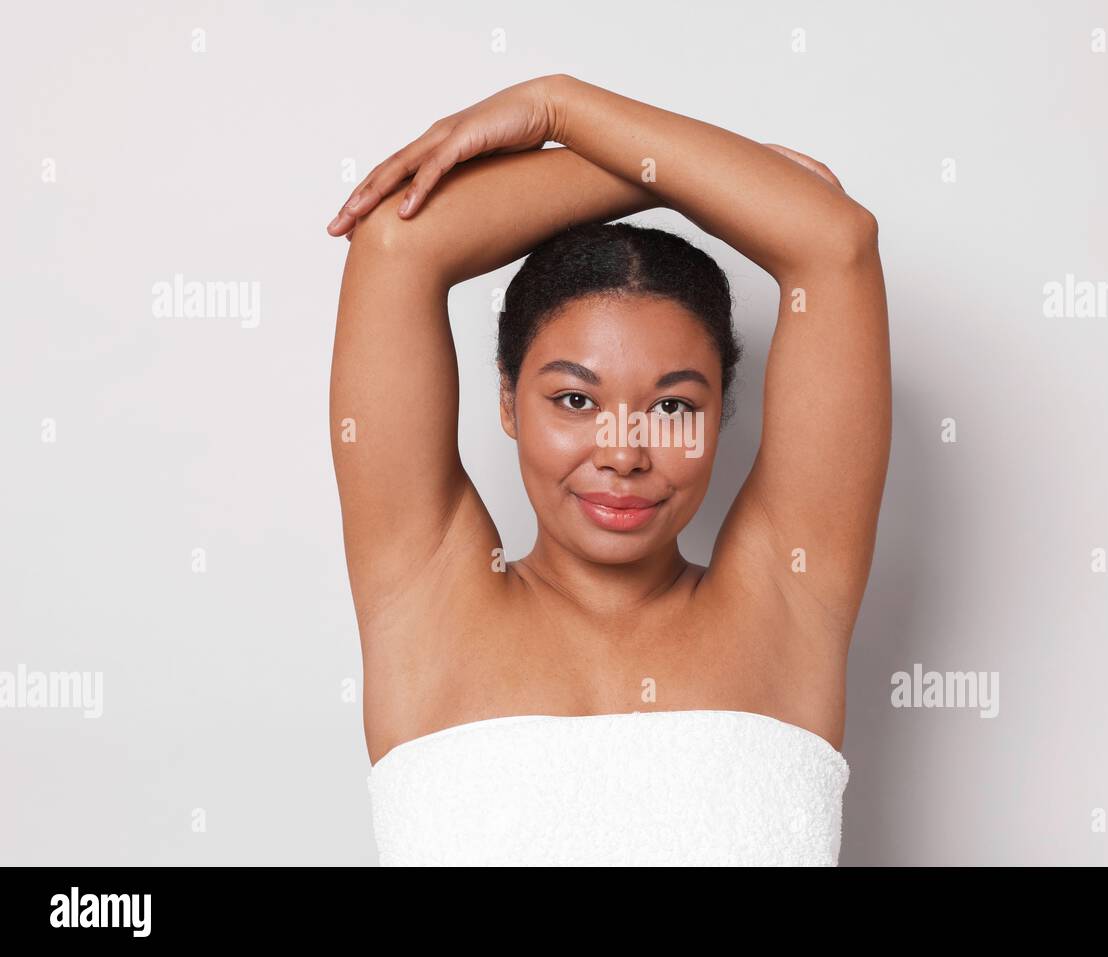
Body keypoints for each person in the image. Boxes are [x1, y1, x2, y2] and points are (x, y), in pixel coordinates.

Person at [326, 74, 890, 865]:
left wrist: (563, 109)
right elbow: (397, 240)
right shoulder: (423, 593)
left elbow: (835, 240)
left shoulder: (789, 600)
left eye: (672, 408)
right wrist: (661, 180)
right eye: (574, 399)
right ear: (508, 404)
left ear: (722, 410)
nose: (623, 451)